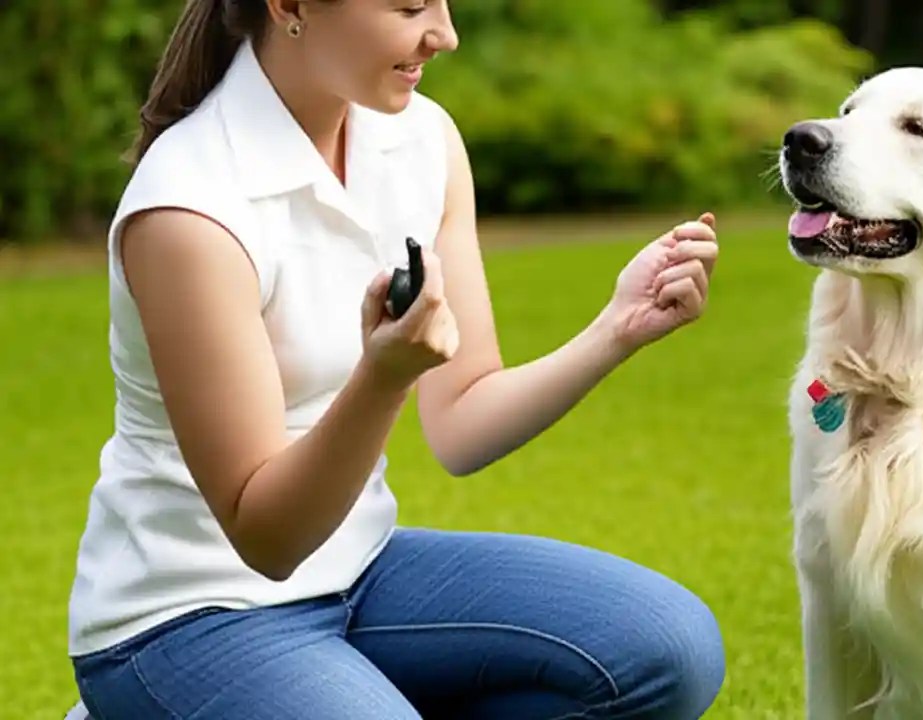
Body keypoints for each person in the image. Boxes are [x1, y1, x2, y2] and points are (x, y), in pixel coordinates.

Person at [65, 0, 726, 717]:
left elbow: (465, 418)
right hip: (187, 616)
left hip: (360, 570)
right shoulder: (190, 210)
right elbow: (267, 538)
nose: (445, 34)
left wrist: (616, 329)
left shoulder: (421, 140)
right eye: (410, 7)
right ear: (289, 7)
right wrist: (382, 378)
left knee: (671, 648)